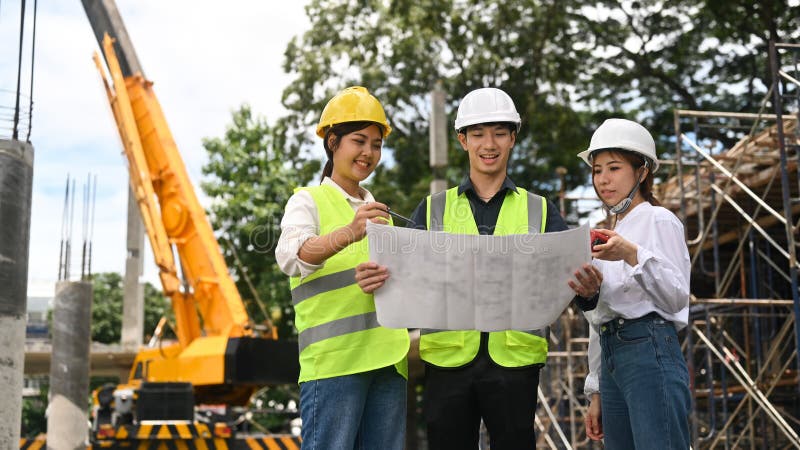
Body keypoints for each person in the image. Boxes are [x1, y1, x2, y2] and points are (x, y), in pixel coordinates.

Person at [355, 87, 602, 450]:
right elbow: (406, 281)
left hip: (515, 362)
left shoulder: (542, 210)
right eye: (478, 133)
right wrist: (376, 281)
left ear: (513, 138)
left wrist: (590, 291)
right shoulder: (432, 209)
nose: (490, 143)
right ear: (462, 139)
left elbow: (569, 284)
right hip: (447, 362)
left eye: (500, 132)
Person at [275, 86, 410, 450]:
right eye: (359, 140)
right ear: (333, 141)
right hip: (334, 367)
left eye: (377, 144)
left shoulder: (382, 217)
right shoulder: (309, 201)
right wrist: (349, 232)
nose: (368, 152)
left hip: (389, 364)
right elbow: (291, 256)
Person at [571, 118, 691, 449]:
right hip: (611, 355)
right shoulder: (605, 232)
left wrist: (631, 253)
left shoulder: (659, 219)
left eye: (614, 168)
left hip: (648, 346)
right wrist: (594, 389)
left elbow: (677, 297)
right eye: (596, 170)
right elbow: (600, 319)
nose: (603, 179)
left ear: (642, 172)